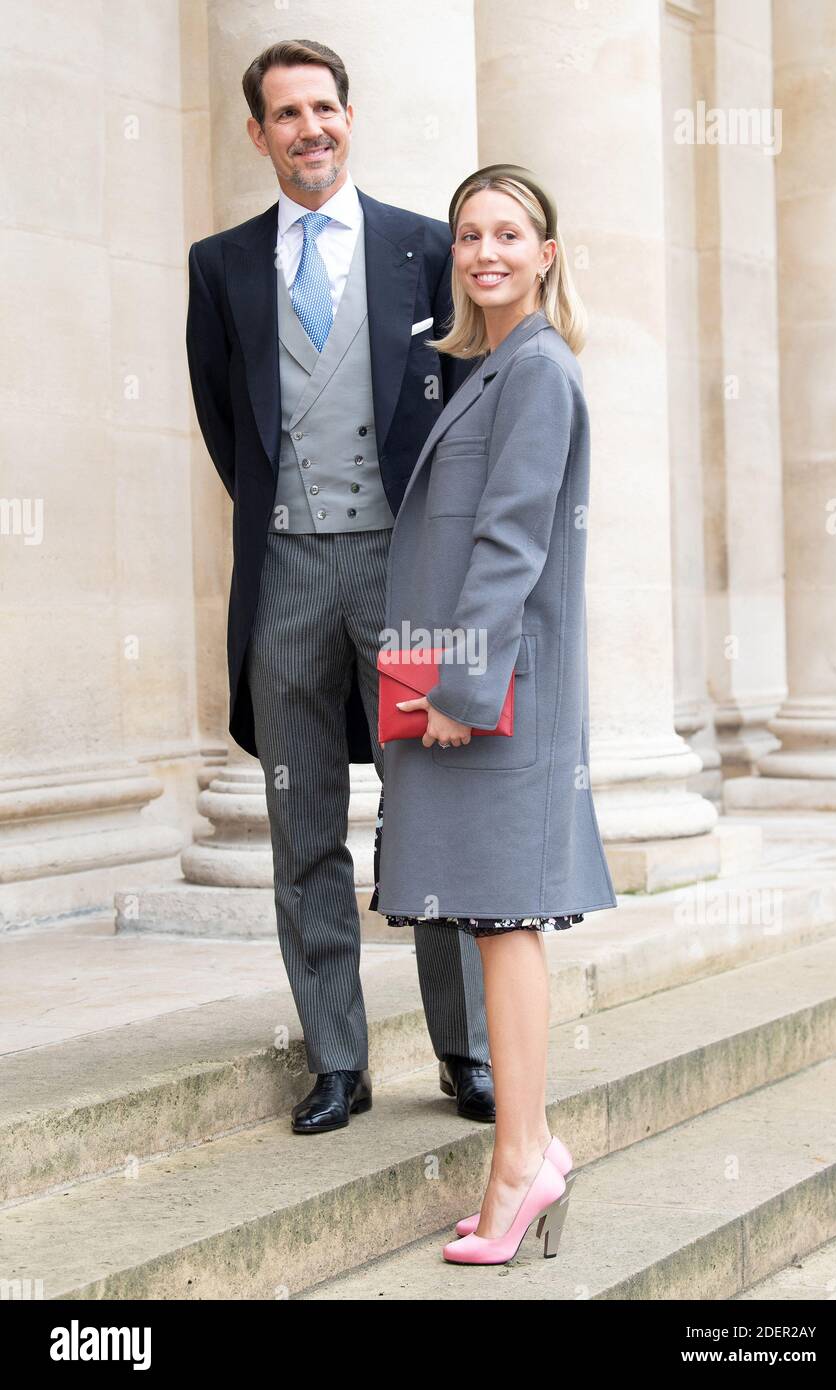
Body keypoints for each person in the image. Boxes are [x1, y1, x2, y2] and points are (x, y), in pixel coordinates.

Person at [185, 39, 497, 1135]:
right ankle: (336, 1060)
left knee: (435, 815)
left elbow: (464, 417)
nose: (308, 129)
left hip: (403, 570)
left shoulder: (423, 247)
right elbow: (232, 429)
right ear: (259, 132)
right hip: (285, 576)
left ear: (349, 118)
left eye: (324, 109)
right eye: (286, 114)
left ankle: (465, 1052)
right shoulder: (218, 265)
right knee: (298, 821)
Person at [370, 165, 618, 1264]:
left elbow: (511, 542)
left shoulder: (536, 371)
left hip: (486, 693)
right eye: (470, 234)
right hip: (457, 678)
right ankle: (523, 1154)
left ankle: (521, 1161)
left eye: (508, 234)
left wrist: (460, 689)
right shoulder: (485, 368)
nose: (484, 252)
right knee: (487, 917)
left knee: (504, 920)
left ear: (544, 253)